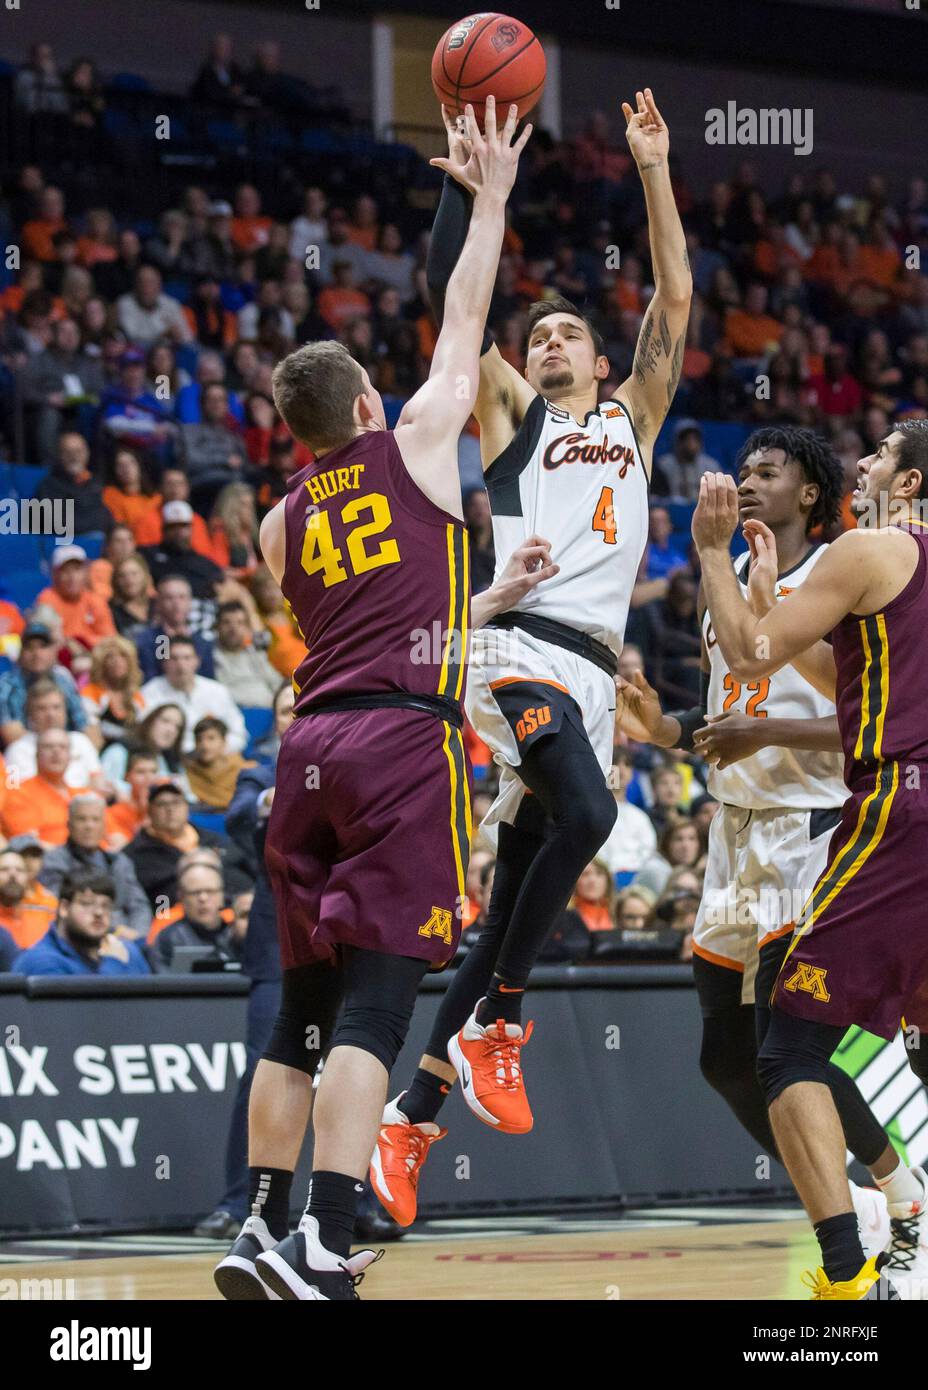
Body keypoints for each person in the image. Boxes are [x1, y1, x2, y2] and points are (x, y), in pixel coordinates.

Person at [213, 98, 542, 1301]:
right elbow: (463, 315)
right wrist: (487, 189)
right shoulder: (412, 437)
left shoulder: (275, 520)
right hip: (402, 746)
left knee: (298, 1014)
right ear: (363, 408)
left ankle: (255, 1222)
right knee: (377, 1006)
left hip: (307, 748)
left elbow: (369, 616)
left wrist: (481, 591)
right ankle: (323, 1242)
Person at [370, 91, 691, 1232]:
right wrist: (463, 186)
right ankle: (504, 1018)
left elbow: (673, 299)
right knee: (592, 817)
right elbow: (443, 298)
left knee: (514, 896)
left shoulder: (632, 421)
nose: (547, 341)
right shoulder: (511, 415)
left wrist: (652, 169)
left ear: (602, 361)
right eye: (537, 333)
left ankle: (411, 1114)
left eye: (567, 334)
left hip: (593, 676)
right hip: (511, 646)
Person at [618, 424, 922, 1288]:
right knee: (724, 1056)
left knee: (792, 1046)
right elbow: (730, 727)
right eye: (741, 467)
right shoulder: (738, 589)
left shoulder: (847, 575)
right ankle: (867, 1202)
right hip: (738, 832)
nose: (746, 480)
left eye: (768, 471)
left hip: (818, 824)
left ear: (812, 496)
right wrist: (664, 731)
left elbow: (870, 723)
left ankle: (893, 1202)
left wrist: (761, 725)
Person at [38, 794, 152, 937]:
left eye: (95, 820)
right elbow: (60, 909)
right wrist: (116, 930)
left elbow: (139, 906)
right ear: (69, 825)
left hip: (127, 940)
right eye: (82, 819)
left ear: (104, 827)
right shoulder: (53, 861)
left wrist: (137, 935)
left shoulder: (120, 862)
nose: (89, 826)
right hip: (78, 939)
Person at [12, 867, 150, 977]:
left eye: (106, 905)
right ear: (64, 908)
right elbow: (89, 1011)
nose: (99, 912)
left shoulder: (127, 952)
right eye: (87, 904)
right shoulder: (42, 961)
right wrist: (114, 964)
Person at [140, 637, 246, 753]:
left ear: (197, 661)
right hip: (170, 758)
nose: (180, 664)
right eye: (174, 658)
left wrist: (214, 751)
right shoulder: (149, 692)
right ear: (164, 662)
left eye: (187, 658)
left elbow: (238, 733)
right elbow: (144, 732)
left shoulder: (217, 691)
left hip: (215, 759)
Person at [0, 620, 91, 744]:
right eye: (30, 647)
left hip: (66, 748)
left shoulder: (63, 679)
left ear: (53, 651)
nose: (37, 653)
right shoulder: (7, 685)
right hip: (25, 751)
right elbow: (11, 734)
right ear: (21, 653)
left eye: (43, 646)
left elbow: (85, 725)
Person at [150, 859, 241, 972]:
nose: (203, 898)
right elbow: (164, 983)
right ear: (181, 897)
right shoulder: (168, 939)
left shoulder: (236, 934)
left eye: (210, 891)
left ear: (222, 894)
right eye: (195, 893)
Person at [212, 601, 280, 707]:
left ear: (247, 628)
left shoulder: (257, 654)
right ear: (217, 626)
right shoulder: (209, 656)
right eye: (227, 622)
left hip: (268, 712)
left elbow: (277, 684)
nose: (233, 628)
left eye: (240, 623)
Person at [184, 716, 255, 810]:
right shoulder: (189, 772)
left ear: (224, 742)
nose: (204, 745)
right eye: (199, 739)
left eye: (211, 738)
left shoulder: (244, 769)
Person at [0, 847, 58, 951]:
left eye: (19, 870)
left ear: (27, 877)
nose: (13, 874)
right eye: (4, 869)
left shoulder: (42, 914)